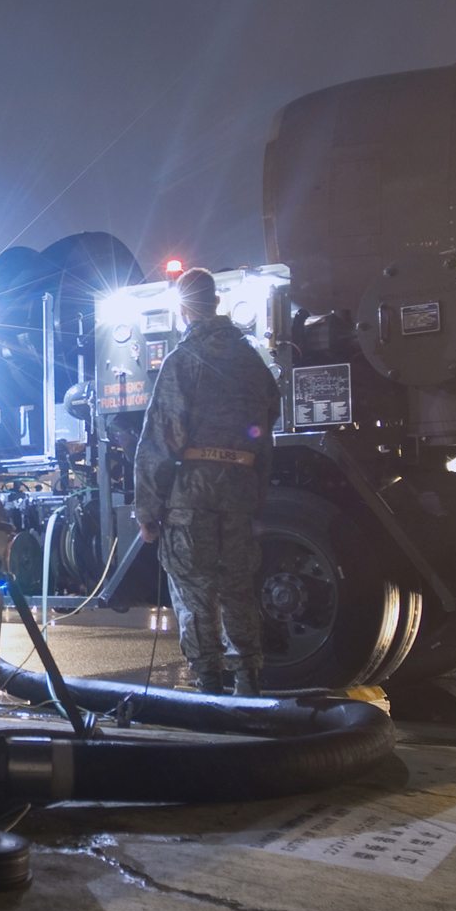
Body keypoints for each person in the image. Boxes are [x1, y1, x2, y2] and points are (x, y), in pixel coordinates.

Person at [132, 268, 280, 693]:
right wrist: (257, 502)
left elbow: (161, 438)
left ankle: (209, 686)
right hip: (240, 496)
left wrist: (147, 510)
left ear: (183, 310)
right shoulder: (253, 363)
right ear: (216, 303)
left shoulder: (184, 360)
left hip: (191, 501)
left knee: (195, 593)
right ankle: (248, 682)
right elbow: (265, 435)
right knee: (237, 589)